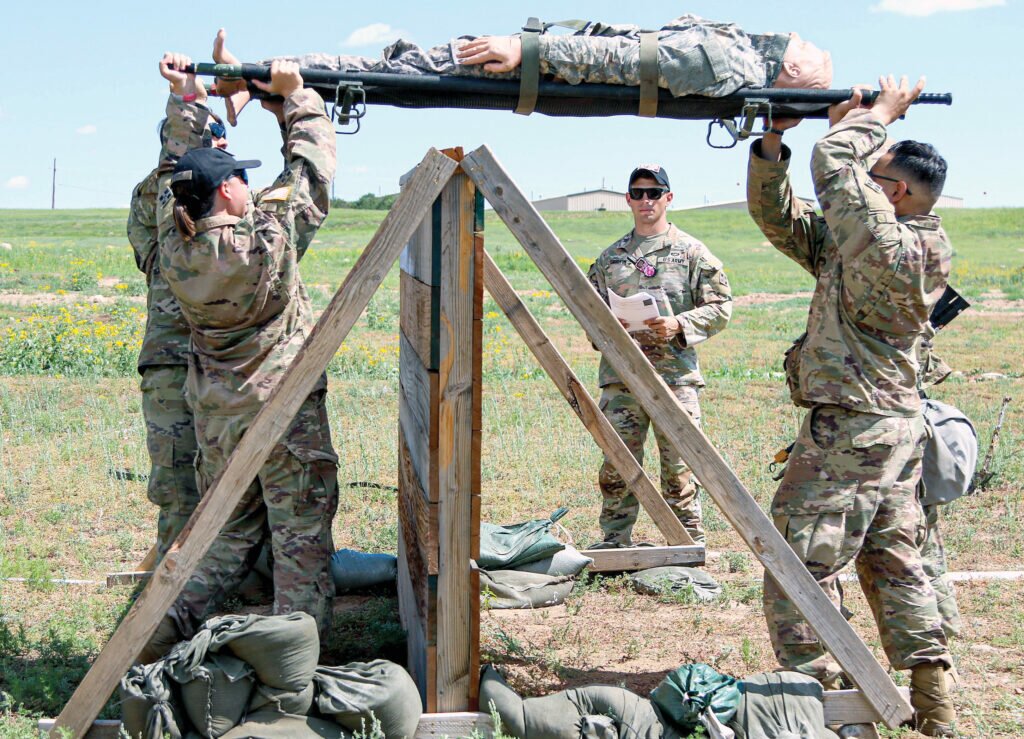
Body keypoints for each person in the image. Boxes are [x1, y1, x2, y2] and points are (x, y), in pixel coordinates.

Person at [746, 74, 956, 736]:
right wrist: (774, 142)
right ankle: (934, 705)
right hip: (888, 430)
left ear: (894, 192)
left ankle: (821, 701)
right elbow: (780, 218)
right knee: (897, 559)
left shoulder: (902, 250)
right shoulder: (866, 244)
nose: (861, 174)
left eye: (876, 171)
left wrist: (875, 117)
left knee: (797, 562)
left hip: (855, 430)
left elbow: (836, 162)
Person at [142, 53, 339, 659]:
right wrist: (296, 97)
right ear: (228, 188)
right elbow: (312, 173)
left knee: (226, 536)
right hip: (280, 417)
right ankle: (294, 659)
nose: (251, 186)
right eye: (241, 178)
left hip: (219, 417)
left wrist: (187, 101)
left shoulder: (171, 246)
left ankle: (158, 629)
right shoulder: (264, 243)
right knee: (300, 538)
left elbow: (172, 172)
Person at [212, 14, 831, 124]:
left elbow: (624, 63)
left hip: (539, 72)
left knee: (396, 78)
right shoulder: (728, 58)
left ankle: (254, 79)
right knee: (395, 73)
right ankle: (254, 76)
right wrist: (524, 50)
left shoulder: (733, 60)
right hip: (535, 67)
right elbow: (623, 60)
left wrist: (528, 52)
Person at [586, 165, 732, 547]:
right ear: (628, 200)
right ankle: (615, 541)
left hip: (675, 377)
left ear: (669, 198)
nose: (645, 200)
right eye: (638, 192)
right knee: (618, 463)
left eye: (654, 192)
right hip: (623, 378)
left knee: (681, 464)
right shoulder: (611, 258)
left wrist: (679, 324)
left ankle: (687, 542)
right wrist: (609, 332)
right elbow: (588, 310)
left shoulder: (691, 252)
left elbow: (721, 306)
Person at [127, 80, 228, 563]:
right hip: (177, 359)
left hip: (221, 361)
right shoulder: (159, 194)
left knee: (229, 476)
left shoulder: (232, 197)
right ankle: (171, 584)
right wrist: (188, 101)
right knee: (176, 480)